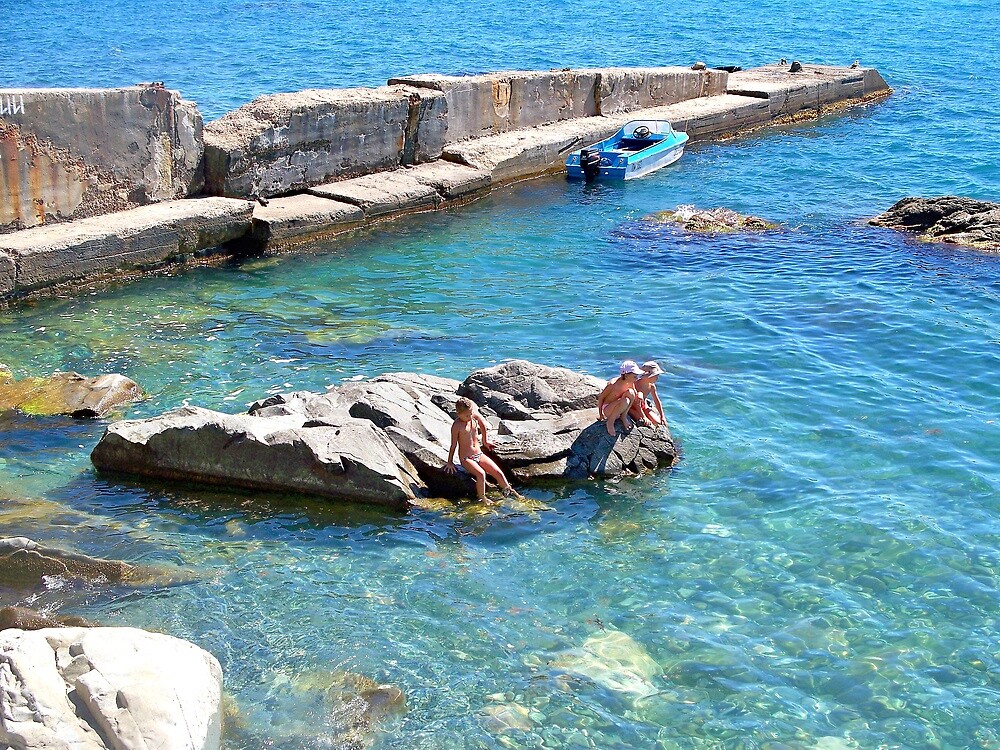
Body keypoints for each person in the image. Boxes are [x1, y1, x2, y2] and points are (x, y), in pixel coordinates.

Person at [444, 397, 514, 503]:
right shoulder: (457, 426)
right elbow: (453, 445)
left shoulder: (474, 417)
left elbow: (483, 426)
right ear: (458, 414)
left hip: (479, 454)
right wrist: (450, 462)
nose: (470, 416)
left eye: (471, 413)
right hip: (466, 458)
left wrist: (485, 442)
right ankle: (482, 497)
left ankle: (508, 490)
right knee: (481, 474)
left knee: (498, 472)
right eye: (467, 415)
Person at [596, 360, 644, 435]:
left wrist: (640, 394)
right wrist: (601, 414)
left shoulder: (630, 383)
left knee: (631, 393)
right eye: (635, 376)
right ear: (626, 375)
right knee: (625, 401)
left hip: (619, 408)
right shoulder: (613, 384)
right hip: (608, 409)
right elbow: (601, 398)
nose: (637, 379)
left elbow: (635, 394)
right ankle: (610, 422)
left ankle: (623, 416)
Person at [630, 360, 667, 427]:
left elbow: (656, 400)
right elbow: (636, 403)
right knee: (645, 422)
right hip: (632, 406)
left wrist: (662, 416)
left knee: (658, 422)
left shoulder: (651, 386)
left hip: (643, 405)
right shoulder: (636, 384)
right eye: (656, 375)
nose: (657, 377)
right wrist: (643, 416)